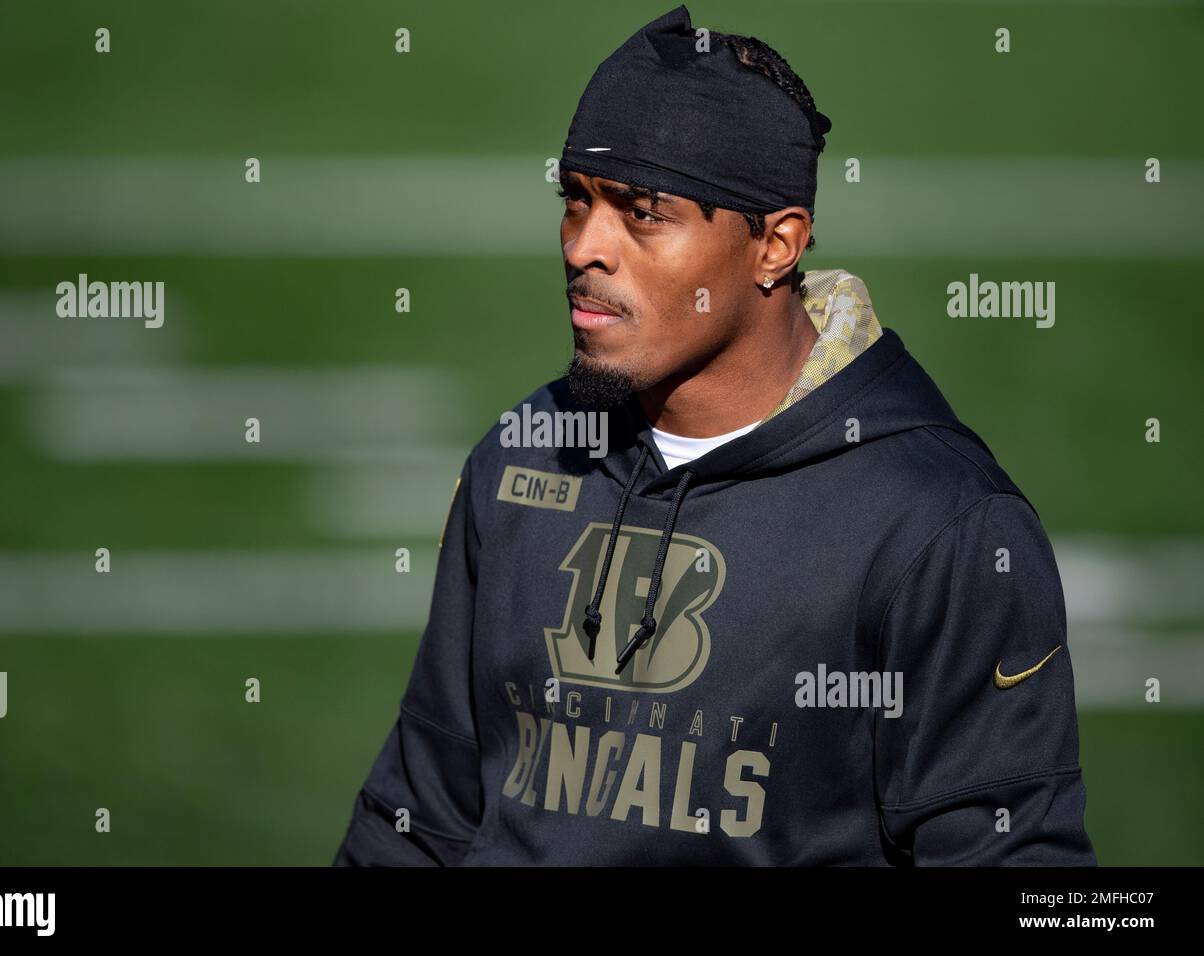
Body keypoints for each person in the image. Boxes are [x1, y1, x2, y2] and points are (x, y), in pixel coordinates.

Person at [333, 4, 1096, 866]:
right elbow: (418, 821)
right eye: (575, 201)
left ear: (775, 245)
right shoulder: (522, 455)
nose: (586, 246)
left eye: (642, 212)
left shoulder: (939, 527)